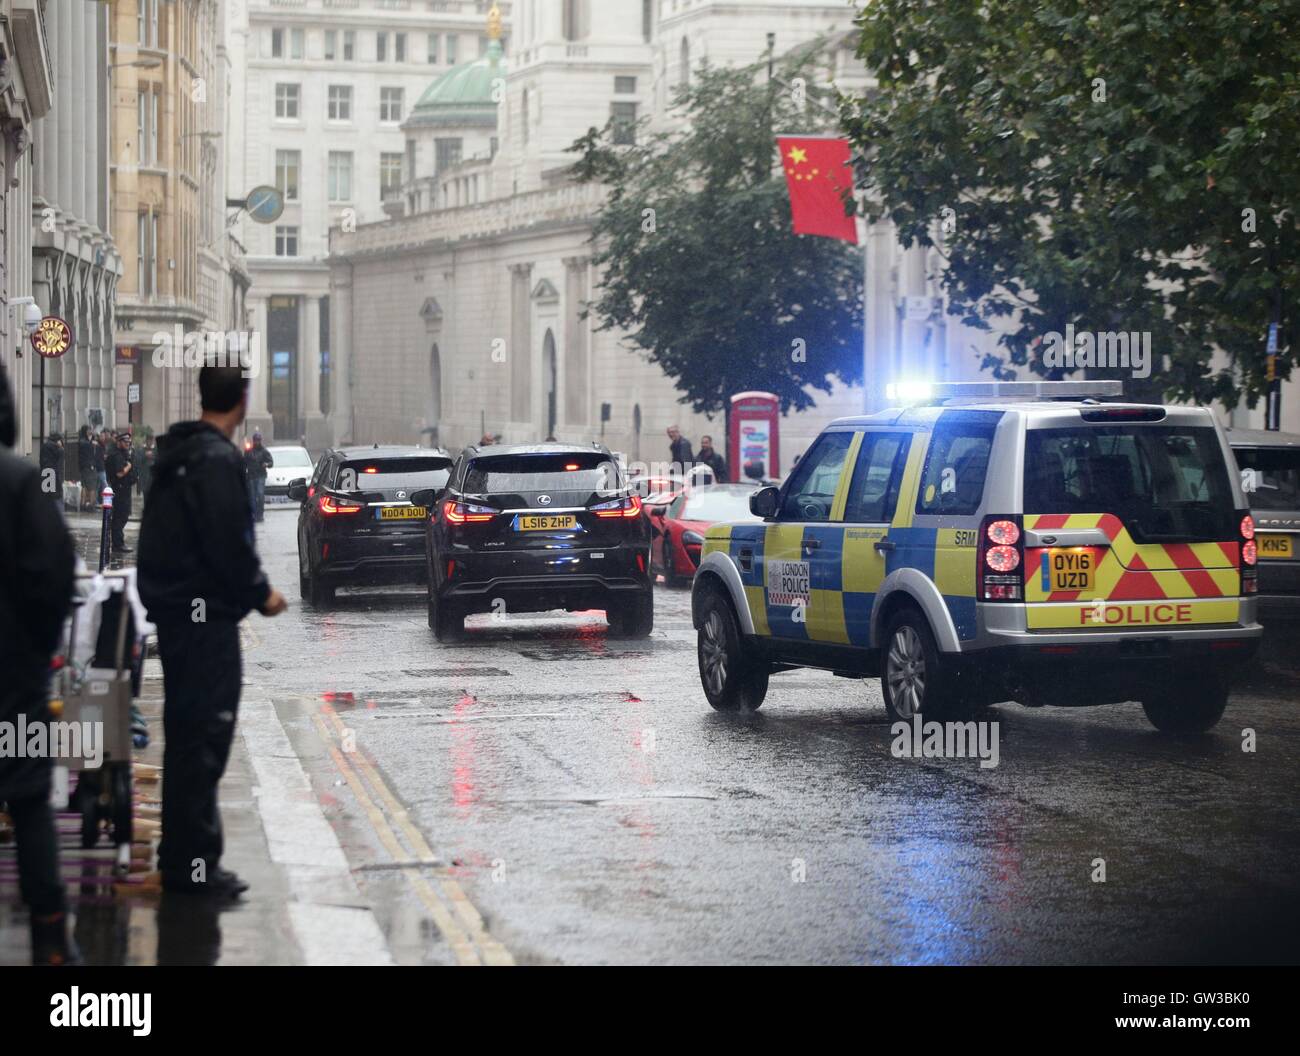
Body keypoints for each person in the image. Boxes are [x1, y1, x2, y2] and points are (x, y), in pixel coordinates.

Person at [137, 365, 287, 898]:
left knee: (186, 739)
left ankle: (183, 859)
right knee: (205, 741)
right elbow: (228, 542)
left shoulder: (174, 454)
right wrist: (261, 593)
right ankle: (193, 869)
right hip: (207, 625)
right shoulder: (219, 460)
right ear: (242, 401)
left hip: (178, 618)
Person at [0, 364, 78, 964]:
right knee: (29, 799)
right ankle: (51, 941)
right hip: (15, 670)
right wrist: (39, 648)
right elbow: (55, 577)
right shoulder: (23, 482)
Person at [105, 431, 137, 553]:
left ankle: (117, 543)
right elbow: (119, 473)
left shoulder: (122, 454)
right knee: (120, 517)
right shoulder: (116, 455)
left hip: (124, 488)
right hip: (120, 489)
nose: (128, 444)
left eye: (129, 442)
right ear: (119, 442)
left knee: (122, 516)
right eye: (125, 442)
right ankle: (118, 544)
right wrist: (128, 466)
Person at [243, 430, 273, 523]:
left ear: (260, 441)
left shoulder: (264, 451)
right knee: (252, 496)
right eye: (255, 440)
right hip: (251, 476)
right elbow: (244, 463)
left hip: (260, 475)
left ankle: (260, 514)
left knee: (260, 494)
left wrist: (266, 464)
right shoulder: (248, 451)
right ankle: (253, 514)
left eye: (258, 440)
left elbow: (271, 463)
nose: (257, 442)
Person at [38, 432, 64, 503]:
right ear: (58, 440)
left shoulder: (43, 446)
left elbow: (41, 460)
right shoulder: (59, 449)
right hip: (53, 473)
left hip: (44, 471)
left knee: (45, 495)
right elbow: (60, 466)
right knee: (53, 496)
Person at [77, 426, 97, 510]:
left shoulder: (83, 441)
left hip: (84, 466)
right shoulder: (85, 442)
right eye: (89, 430)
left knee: (84, 486)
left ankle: (83, 504)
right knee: (91, 487)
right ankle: (91, 505)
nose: (91, 431)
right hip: (89, 466)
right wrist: (92, 442)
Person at [94, 429, 109, 501]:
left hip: (102, 467)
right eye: (101, 436)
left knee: (98, 486)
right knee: (104, 484)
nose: (103, 437)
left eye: (103, 436)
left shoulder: (103, 445)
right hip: (100, 468)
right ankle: (107, 499)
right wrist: (104, 456)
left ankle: (96, 501)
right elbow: (98, 456)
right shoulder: (97, 445)